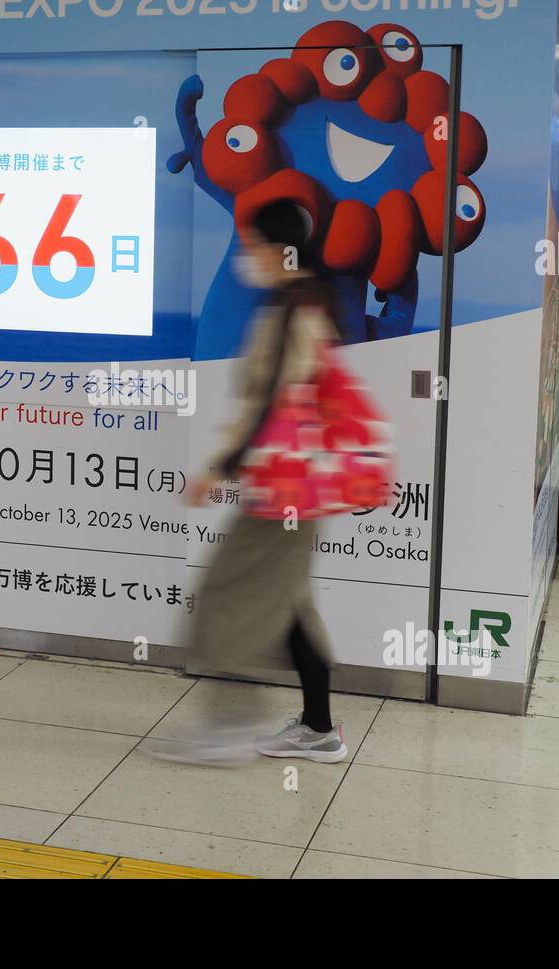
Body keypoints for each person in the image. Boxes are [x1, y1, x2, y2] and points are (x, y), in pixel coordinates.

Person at [152, 199, 346, 767]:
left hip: (285, 488)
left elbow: (273, 405)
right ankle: (318, 728)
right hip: (300, 485)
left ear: (277, 249)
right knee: (288, 605)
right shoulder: (307, 301)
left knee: (228, 596)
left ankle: (228, 729)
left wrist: (221, 467)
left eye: (253, 246)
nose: (246, 257)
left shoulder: (294, 312)